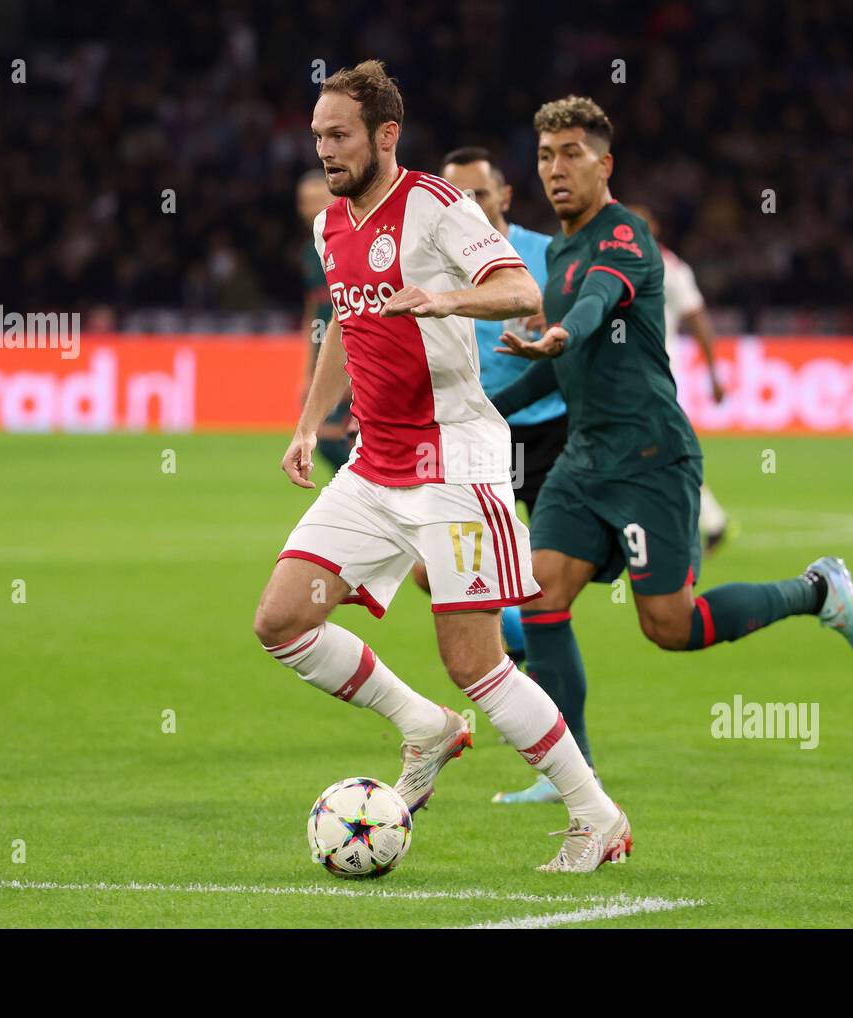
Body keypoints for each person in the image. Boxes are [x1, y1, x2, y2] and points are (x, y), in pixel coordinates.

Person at [253, 64, 631, 874]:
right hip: (374, 464)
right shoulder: (331, 227)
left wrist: (446, 298)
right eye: (318, 136)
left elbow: (520, 288)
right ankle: (425, 725)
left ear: (386, 135)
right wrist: (306, 424)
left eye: (340, 135)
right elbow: (346, 333)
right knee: (281, 620)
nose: (326, 150)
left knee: (475, 661)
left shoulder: (435, 204)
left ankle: (596, 816)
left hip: (453, 463)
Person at [487, 96, 853, 800]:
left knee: (669, 627)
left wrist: (564, 332)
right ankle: (570, 771)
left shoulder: (625, 236)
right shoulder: (562, 252)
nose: (556, 169)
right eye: (545, 155)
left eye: (572, 153)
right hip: (584, 459)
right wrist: (487, 408)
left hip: (650, 458)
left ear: (605, 164)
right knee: (543, 595)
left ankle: (818, 590)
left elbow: (597, 304)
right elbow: (559, 363)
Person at [408, 147, 564, 683]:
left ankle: (546, 701)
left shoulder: (546, 253)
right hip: (471, 434)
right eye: (457, 194)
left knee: (547, 578)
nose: (468, 202)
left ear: (505, 195)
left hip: (548, 430)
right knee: (431, 571)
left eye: (478, 192)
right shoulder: (434, 260)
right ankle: (518, 654)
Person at [625, 202, 731, 554]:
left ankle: (702, 520)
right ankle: (708, 519)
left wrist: (714, 372)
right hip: (625, 374)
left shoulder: (671, 268)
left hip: (657, 372)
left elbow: (698, 319)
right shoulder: (615, 262)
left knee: (656, 448)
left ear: (654, 228)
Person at [296, 171, 355, 470]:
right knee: (329, 439)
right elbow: (314, 310)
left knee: (333, 438)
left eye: (318, 200)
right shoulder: (310, 250)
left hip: (351, 355)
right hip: (326, 352)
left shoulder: (348, 242)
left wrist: (350, 373)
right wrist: (309, 371)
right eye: (305, 202)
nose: (310, 208)